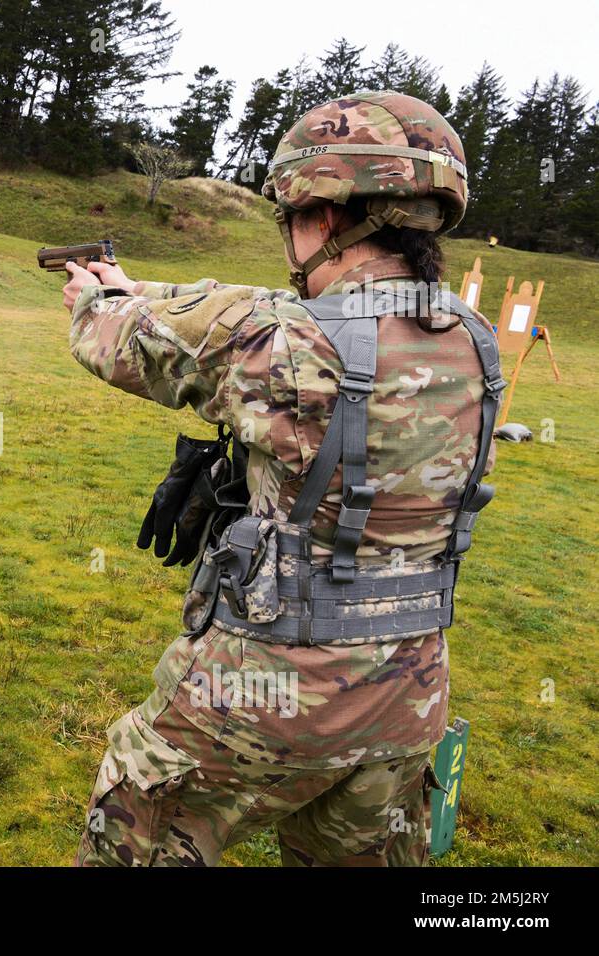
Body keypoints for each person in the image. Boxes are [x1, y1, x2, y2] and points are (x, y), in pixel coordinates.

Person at [63, 91, 503, 866]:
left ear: (325, 215)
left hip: (263, 693)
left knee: (134, 828)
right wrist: (143, 285)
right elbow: (233, 310)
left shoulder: (283, 336)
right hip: (409, 698)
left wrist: (96, 295)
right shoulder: (473, 341)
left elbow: (115, 338)